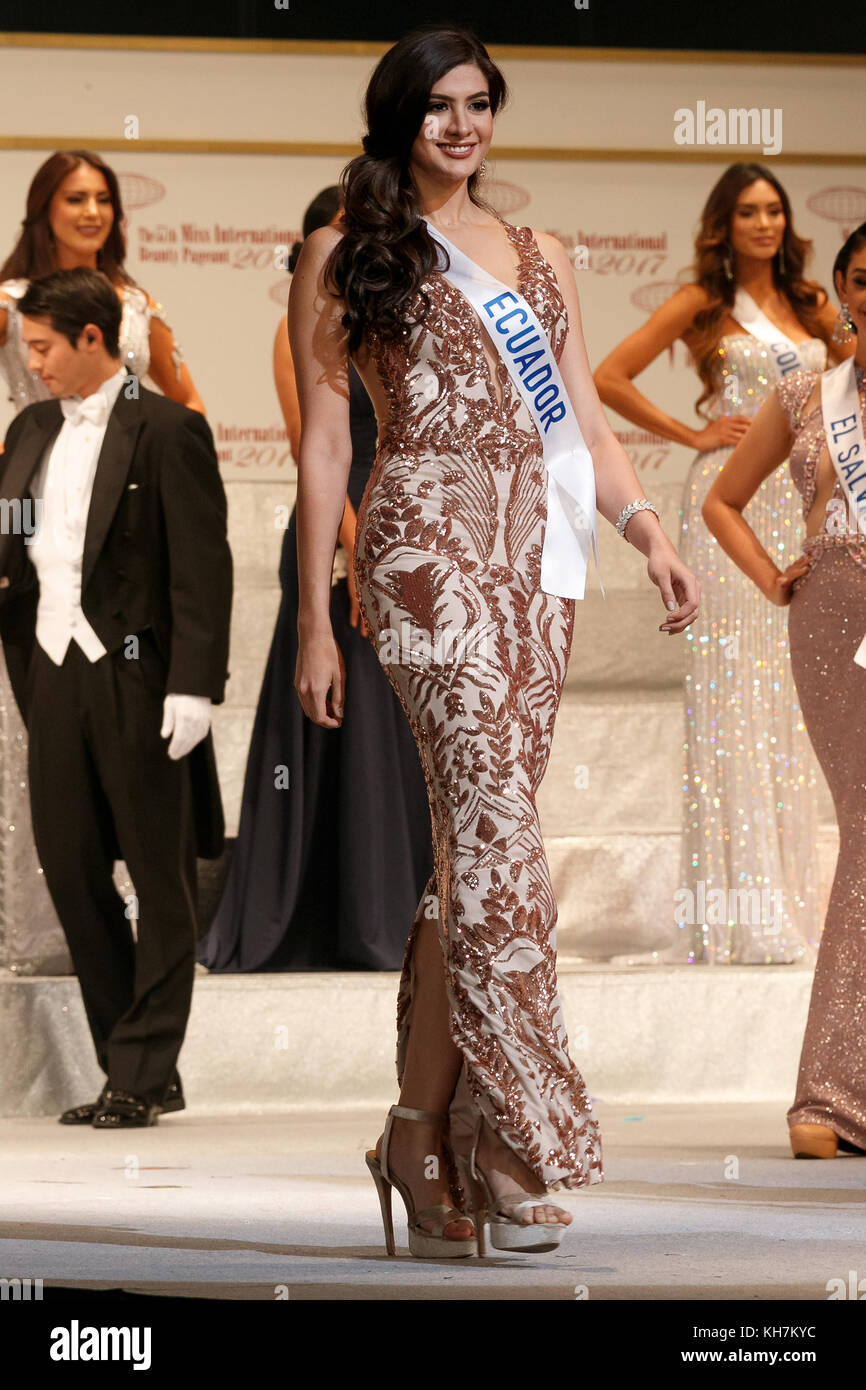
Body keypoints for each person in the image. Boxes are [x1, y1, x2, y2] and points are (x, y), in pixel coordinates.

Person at [289, 25, 699, 1257]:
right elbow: (321, 447)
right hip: (424, 557)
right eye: (437, 107)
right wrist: (314, 615)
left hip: (539, 563)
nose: (461, 126)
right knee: (498, 836)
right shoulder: (341, 249)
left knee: (475, 852)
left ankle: (418, 1131)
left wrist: (644, 531)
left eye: (478, 105)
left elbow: (582, 418)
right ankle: (515, 1141)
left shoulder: (541, 253)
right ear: (397, 116)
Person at [595, 164, 852, 965]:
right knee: (733, 697)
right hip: (728, 503)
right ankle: (739, 910)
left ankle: (791, 901)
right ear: (724, 223)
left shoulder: (814, 306)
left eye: (775, 210)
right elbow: (606, 376)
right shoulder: (701, 303)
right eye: (748, 212)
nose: (765, 224)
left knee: (784, 703)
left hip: (800, 501)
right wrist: (691, 433)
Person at [0, 268, 232, 1127]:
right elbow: (15, 539)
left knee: (161, 877)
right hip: (54, 673)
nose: (35, 366)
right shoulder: (28, 431)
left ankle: (140, 1070)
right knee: (69, 865)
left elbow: (203, 565)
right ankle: (129, 1061)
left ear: (93, 339)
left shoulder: (168, 431)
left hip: (139, 673)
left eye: (45, 348)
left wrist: (195, 685)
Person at [199, 187, 433, 973]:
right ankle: (338, 916)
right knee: (343, 713)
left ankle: (399, 911)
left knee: (397, 734)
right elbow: (314, 448)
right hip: (337, 532)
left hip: (406, 524)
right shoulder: (294, 327)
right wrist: (361, 549)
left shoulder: (404, 324)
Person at [0, 149, 205, 976]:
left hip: (124, 553)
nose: (90, 212)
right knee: (40, 772)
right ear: (43, 207)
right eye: (73, 197)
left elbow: (186, 401)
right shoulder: (9, 302)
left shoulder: (135, 302)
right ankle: (38, 935)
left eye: (103, 199)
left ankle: (147, 1014)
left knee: (142, 791)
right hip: (34, 528)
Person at [703, 224, 866, 1159]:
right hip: (837, 616)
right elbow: (723, 498)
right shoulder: (808, 391)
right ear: (842, 288)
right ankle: (829, 1097)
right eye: (862, 279)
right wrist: (773, 577)